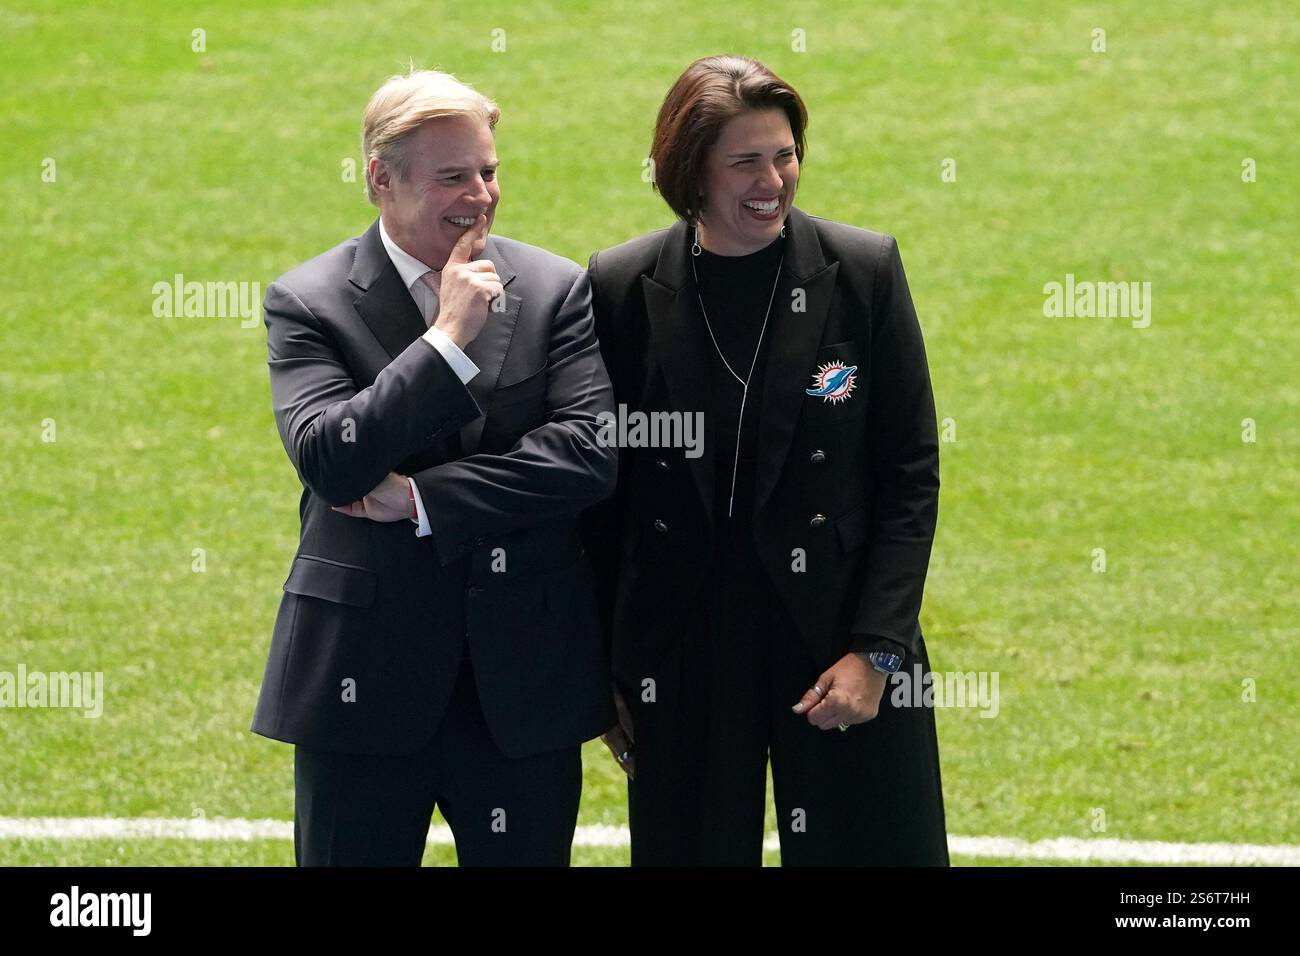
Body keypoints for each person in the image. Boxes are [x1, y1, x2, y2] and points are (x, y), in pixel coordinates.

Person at [582, 55, 949, 865]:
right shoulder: (618, 286)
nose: (772, 180)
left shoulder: (864, 271)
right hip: (686, 653)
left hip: (841, 642)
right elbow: (601, 496)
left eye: (783, 155)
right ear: (690, 170)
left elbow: (910, 473)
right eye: (743, 160)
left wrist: (877, 651)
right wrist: (606, 672)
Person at [251, 69, 617, 866]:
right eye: (454, 176)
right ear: (381, 179)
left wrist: (423, 499)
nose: (480, 194)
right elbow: (331, 457)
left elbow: (587, 456)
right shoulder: (307, 302)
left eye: (488, 171)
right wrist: (445, 342)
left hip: (520, 690)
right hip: (363, 688)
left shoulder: (557, 289)